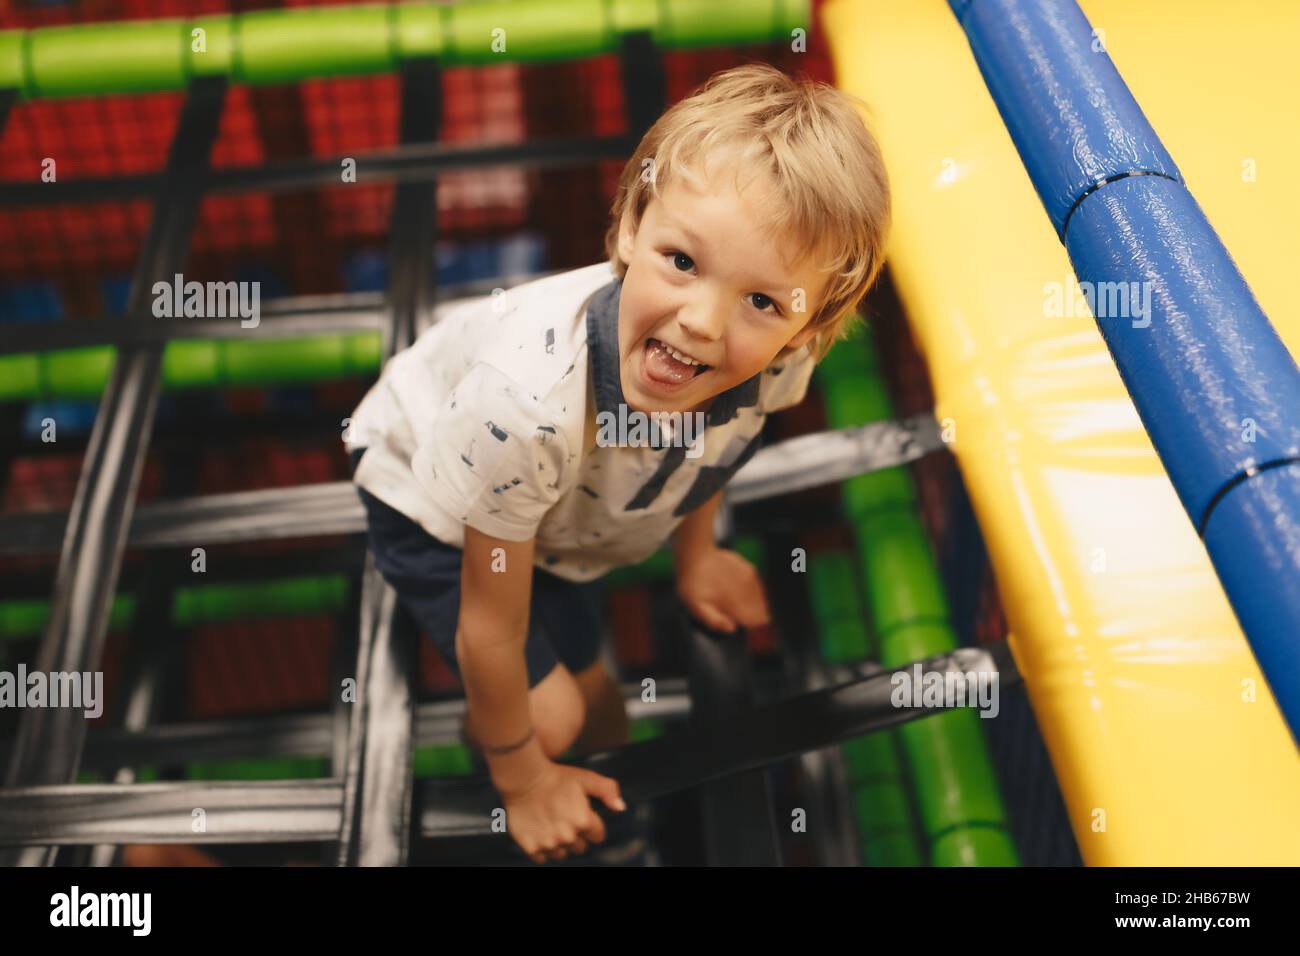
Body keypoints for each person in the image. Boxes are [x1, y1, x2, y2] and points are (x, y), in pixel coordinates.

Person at [345, 62, 891, 864]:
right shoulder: (523, 411)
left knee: (602, 721)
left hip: (565, 515)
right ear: (633, 223)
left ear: (810, 328)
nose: (702, 321)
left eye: (762, 301)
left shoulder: (776, 362)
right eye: (682, 261)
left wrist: (697, 557)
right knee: (555, 721)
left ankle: (600, 821)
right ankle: (493, 767)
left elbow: (713, 451)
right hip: (430, 491)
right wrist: (522, 780)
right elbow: (489, 627)